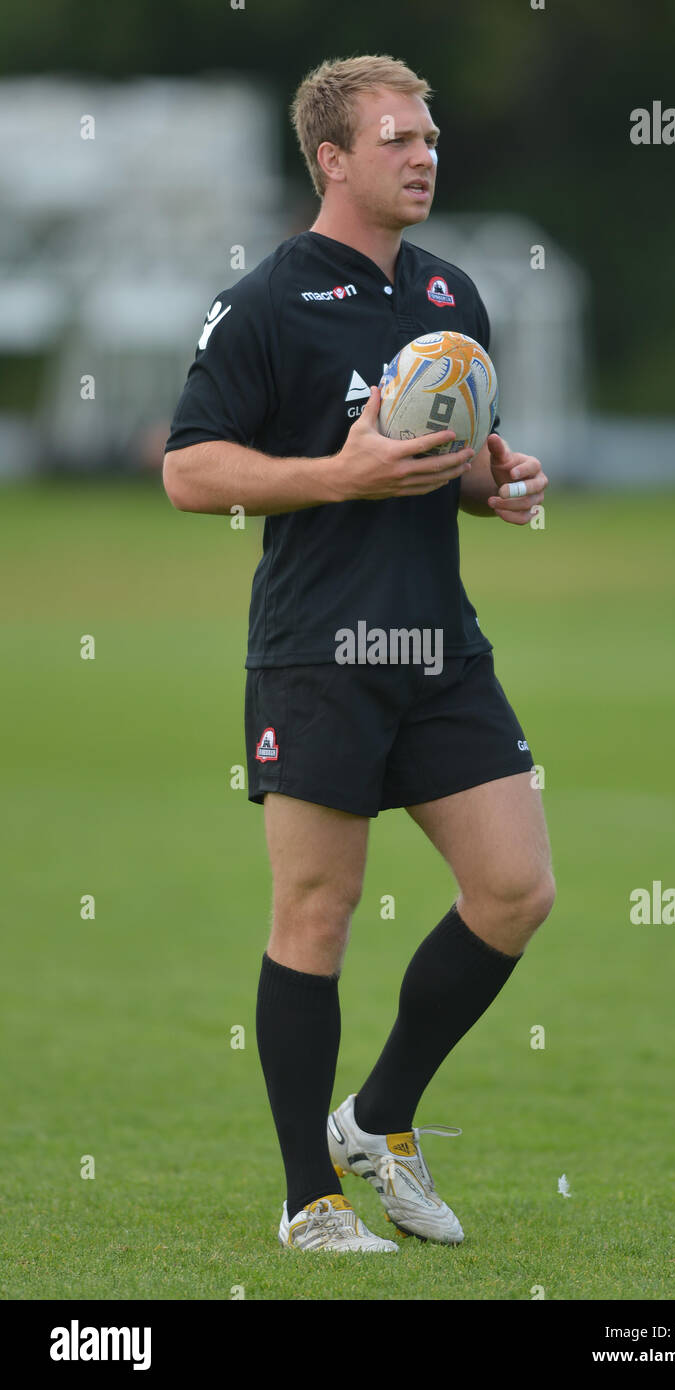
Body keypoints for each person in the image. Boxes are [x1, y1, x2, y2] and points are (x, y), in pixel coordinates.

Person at [162, 54, 554, 1254]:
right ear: (332, 160)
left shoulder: (452, 298)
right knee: (317, 911)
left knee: (515, 890)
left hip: (438, 642)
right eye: (397, 140)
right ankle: (308, 1200)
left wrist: (498, 481)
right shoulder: (267, 301)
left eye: (429, 137)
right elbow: (189, 470)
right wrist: (337, 474)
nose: (424, 156)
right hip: (317, 651)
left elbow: (457, 452)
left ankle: (377, 1121)